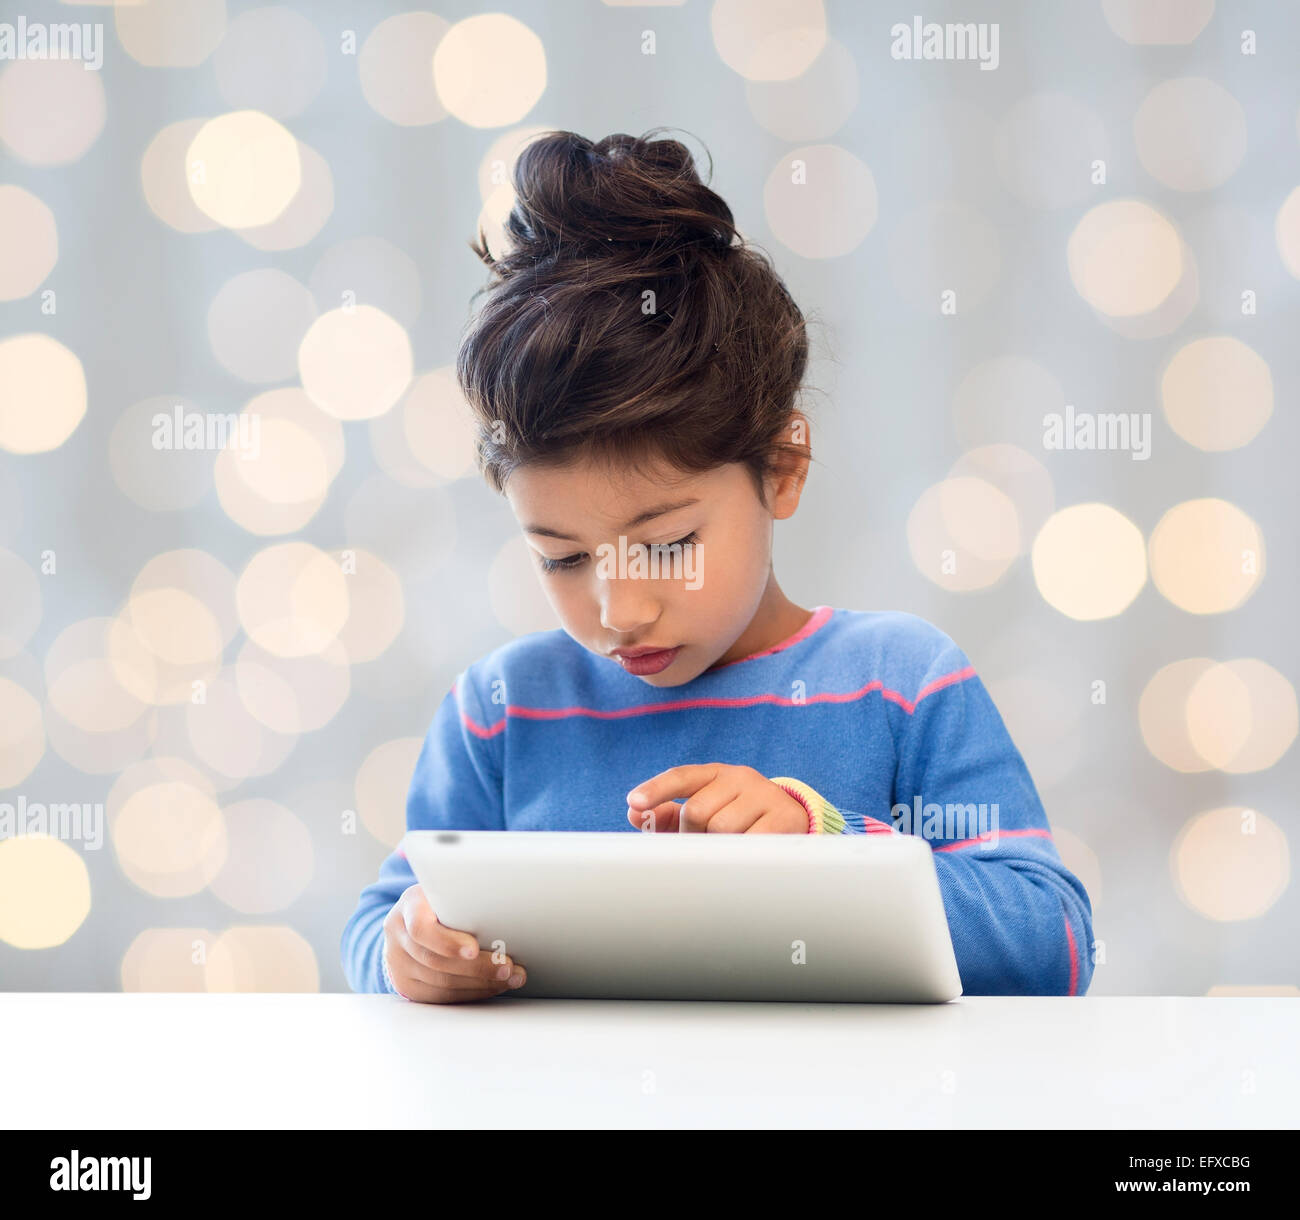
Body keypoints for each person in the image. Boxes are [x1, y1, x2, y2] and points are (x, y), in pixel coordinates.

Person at [341, 129, 1094, 1003]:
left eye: (665, 545)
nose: (619, 608)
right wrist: (408, 957)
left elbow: (1055, 945)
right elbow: (383, 924)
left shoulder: (899, 685)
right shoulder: (502, 714)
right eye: (564, 557)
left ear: (781, 468)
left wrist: (827, 846)